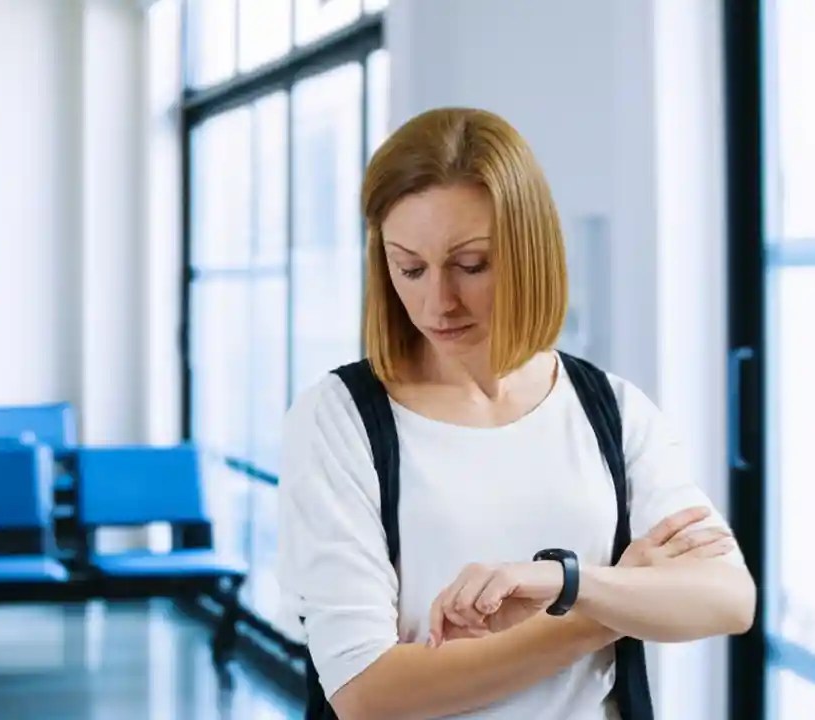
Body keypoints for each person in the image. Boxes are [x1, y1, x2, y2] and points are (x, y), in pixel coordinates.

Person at [277, 107, 756, 720]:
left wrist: (563, 582)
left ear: (529, 249)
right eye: (410, 269)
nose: (437, 302)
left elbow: (727, 597)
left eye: (471, 265)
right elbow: (368, 691)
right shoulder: (339, 420)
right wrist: (600, 611)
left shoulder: (608, 408)